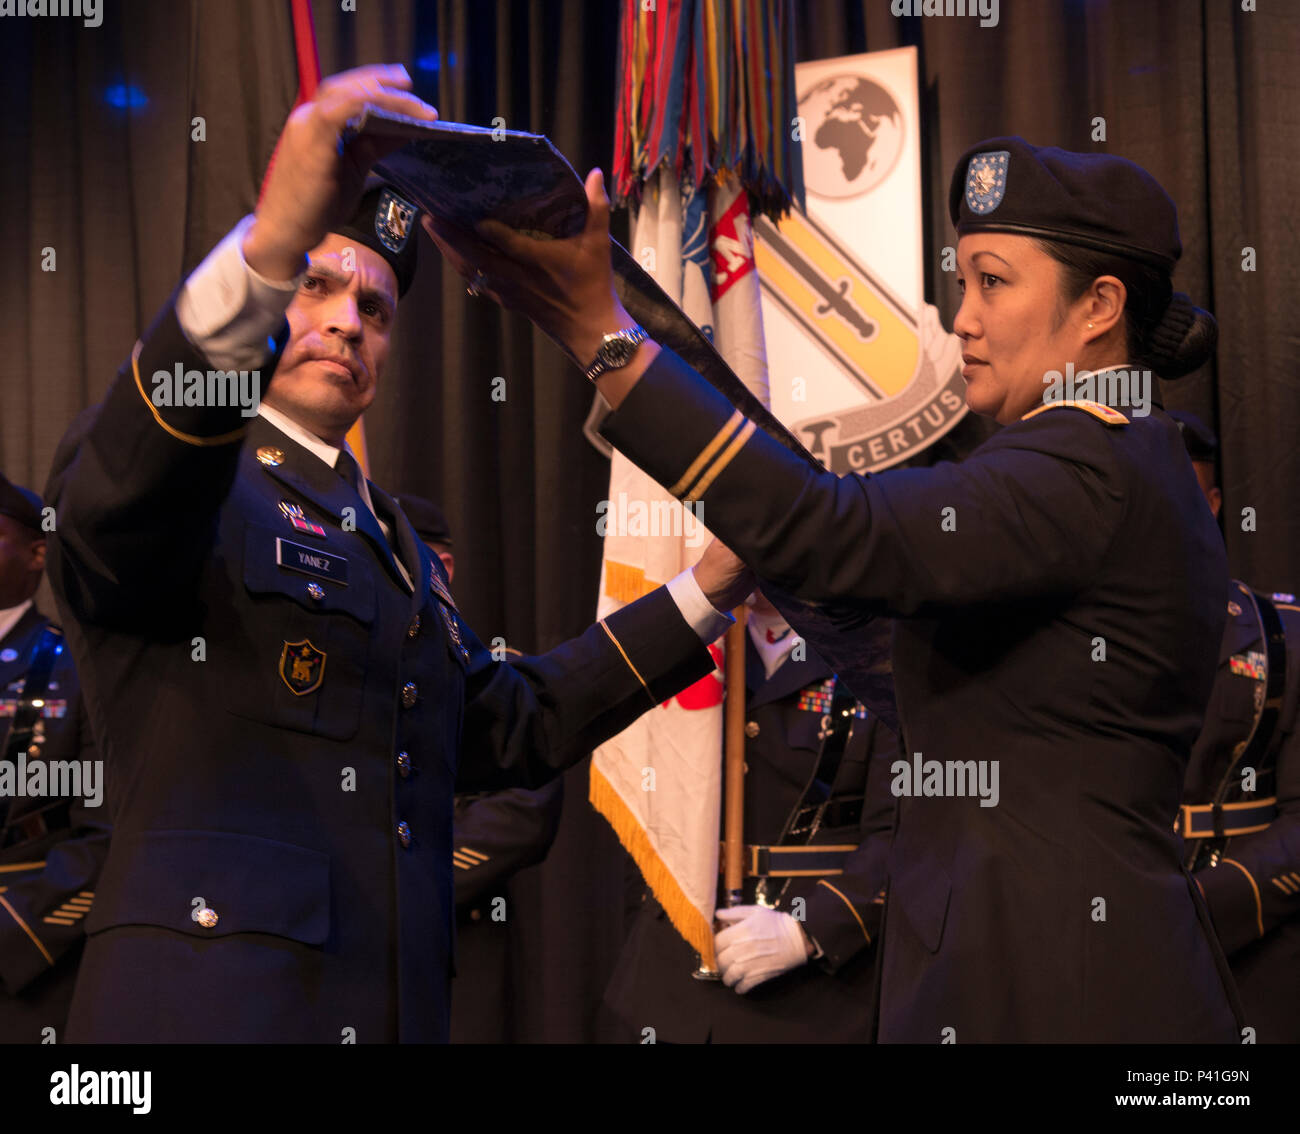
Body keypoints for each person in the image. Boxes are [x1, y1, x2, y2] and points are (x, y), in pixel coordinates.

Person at [427, 135, 1243, 1041]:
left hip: (1056, 981)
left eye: (994, 282)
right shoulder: (1124, 456)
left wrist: (602, 332)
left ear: (1099, 306)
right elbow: (879, 629)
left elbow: (833, 533)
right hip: (1046, 963)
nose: (963, 317)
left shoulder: (1087, 459)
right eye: (963, 280)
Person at [42, 65, 749, 1043]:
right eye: (317, 287)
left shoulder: (396, 538)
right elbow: (122, 513)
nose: (346, 322)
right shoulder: (187, 479)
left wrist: (707, 589)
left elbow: (505, 726)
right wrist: (270, 245)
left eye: (376, 310)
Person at [604, 594, 898, 1043]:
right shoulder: (685, 646)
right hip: (669, 985)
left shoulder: (877, 659)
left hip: (812, 995)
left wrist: (809, 929)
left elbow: (901, 832)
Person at [396, 493, 565, 1043]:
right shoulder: (355, 668)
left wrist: (400, 881)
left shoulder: (492, 676)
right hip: (347, 948)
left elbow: (519, 818)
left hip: (458, 935)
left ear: (440, 566)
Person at [1169, 411, 1300, 1043]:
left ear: (1215, 504)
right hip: (1097, 941)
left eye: (1183, 499)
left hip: (1254, 941)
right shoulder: (1062, 642)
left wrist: (1203, 907)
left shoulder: (1285, 637)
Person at [0, 475, 109, 1043]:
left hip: (22, 957)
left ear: (37, 552)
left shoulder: (77, 671)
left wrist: (13, 931)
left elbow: (106, 835)